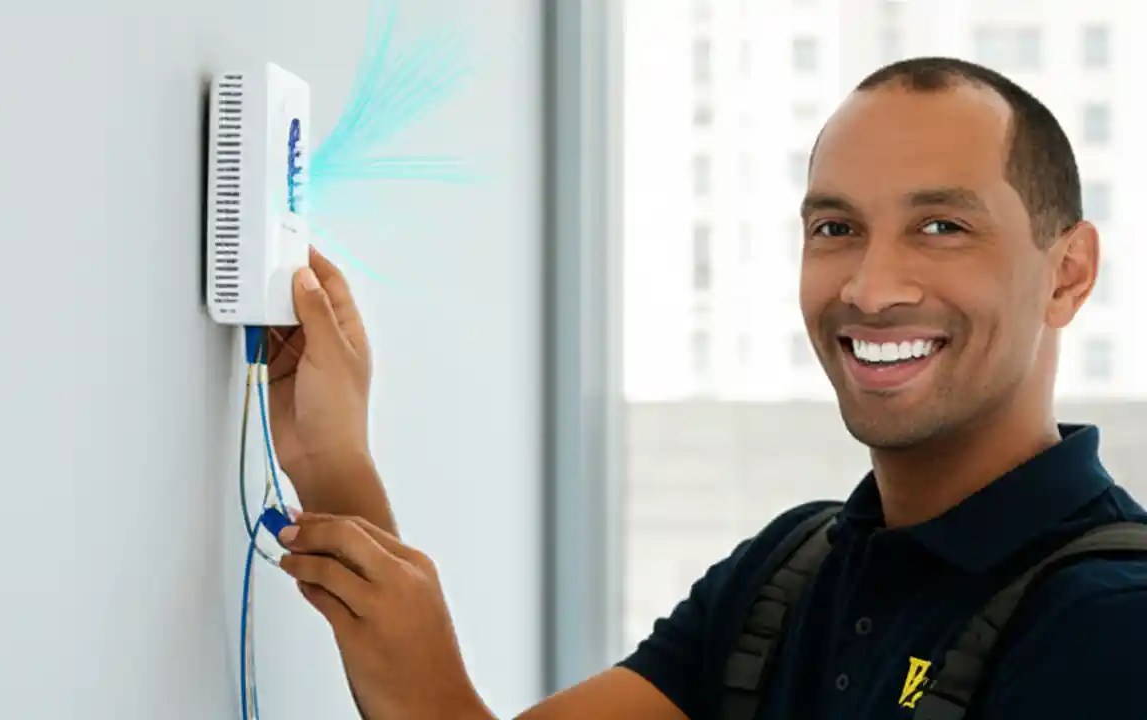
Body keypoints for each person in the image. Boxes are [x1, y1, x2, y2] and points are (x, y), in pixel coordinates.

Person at [263, 57, 1147, 720]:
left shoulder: (1112, 624)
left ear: (1068, 273)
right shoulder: (787, 575)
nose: (872, 287)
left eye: (942, 226)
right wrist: (332, 460)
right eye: (836, 227)